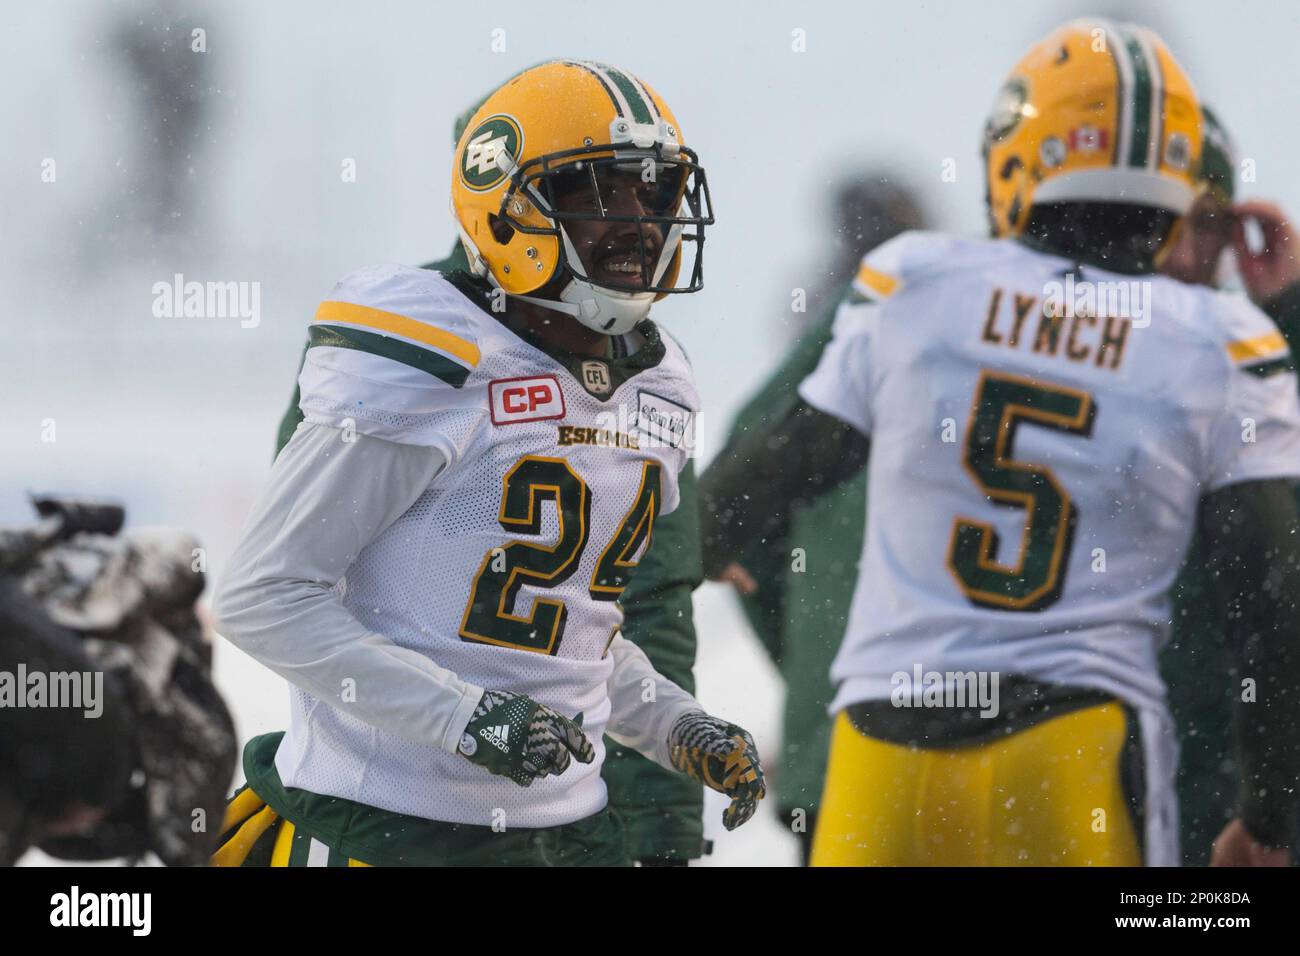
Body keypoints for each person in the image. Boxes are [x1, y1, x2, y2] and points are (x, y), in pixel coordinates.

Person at [701, 20, 1300, 866]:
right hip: (1076, 749)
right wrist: (1273, 815)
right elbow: (1275, 598)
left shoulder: (915, 285)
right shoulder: (1220, 342)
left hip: (878, 754)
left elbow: (741, 492)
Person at [211, 61, 764, 867]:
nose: (641, 222)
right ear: (507, 208)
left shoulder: (656, 380)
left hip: (569, 836)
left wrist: (675, 725)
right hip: (389, 828)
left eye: (654, 193)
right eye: (601, 192)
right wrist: (464, 717)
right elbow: (264, 598)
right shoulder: (428, 354)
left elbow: (563, 644)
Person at [705, 176, 926, 863]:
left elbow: (746, 516)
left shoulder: (838, 322)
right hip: (1003, 755)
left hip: (839, 760)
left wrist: (814, 679)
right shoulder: (962, 333)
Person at [1159, 107, 1300, 863]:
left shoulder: (1254, 357)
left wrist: (1289, 310)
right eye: (1166, 221)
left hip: (1250, 791)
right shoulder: (1062, 349)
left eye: (1209, 222)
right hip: (1111, 775)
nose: (1187, 251)